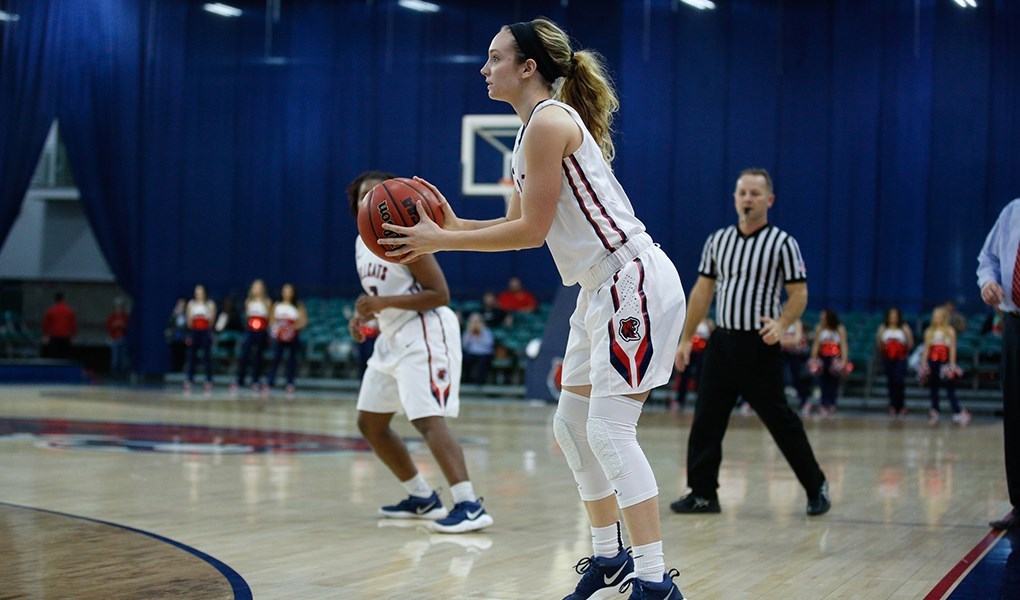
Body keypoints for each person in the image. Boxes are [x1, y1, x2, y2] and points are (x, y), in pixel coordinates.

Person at [379, 19, 688, 598]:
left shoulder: (548, 121)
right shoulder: (526, 135)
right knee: (571, 426)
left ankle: (653, 579)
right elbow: (514, 225)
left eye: (494, 58)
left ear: (528, 68)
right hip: (595, 289)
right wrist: (447, 226)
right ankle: (609, 557)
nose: (483, 67)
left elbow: (529, 232)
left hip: (631, 280)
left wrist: (440, 241)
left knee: (610, 430)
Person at [670, 168, 829, 522]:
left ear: (769, 200)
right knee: (706, 419)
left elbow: (799, 293)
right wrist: (685, 337)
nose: (748, 199)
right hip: (722, 344)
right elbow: (702, 291)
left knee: (781, 420)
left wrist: (783, 323)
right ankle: (702, 493)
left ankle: (816, 486)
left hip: (759, 346)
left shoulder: (783, 243)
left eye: (755, 193)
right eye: (742, 192)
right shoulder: (718, 240)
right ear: (735, 198)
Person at [347, 170, 492, 535]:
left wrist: (382, 303)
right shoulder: (363, 242)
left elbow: (439, 293)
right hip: (393, 334)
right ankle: (422, 498)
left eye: (375, 196)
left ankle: (469, 504)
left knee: (427, 418)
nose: (369, 202)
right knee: (371, 422)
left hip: (425, 328)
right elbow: (382, 293)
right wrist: (365, 314)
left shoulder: (403, 236)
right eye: (363, 197)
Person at [977, 197, 1020, 531]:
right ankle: (1019, 505)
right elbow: (988, 257)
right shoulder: (1012, 211)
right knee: (1016, 412)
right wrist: (988, 282)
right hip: (1014, 321)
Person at [919, 306, 970, 425]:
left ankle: (957, 410)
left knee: (949, 387)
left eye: (939, 316)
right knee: (933, 386)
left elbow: (952, 349)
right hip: (933, 362)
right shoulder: (929, 331)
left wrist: (952, 365)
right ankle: (934, 409)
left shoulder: (950, 331)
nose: (936, 319)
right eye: (935, 316)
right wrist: (923, 363)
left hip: (945, 362)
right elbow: (926, 349)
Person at [807, 309, 850, 417]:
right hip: (823, 357)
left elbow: (843, 345)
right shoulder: (819, 328)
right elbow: (816, 344)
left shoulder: (840, 329)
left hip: (834, 358)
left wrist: (844, 360)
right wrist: (814, 358)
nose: (821, 320)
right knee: (822, 381)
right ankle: (823, 404)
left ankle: (832, 403)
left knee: (833, 382)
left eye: (824, 317)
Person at [267, 283, 308, 394]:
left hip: (293, 337)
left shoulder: (298, 305)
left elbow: (303, 321)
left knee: (291, 360)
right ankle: (271, 381)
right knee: (276, 358)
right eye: (285, 291)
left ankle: (290, 382)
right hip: (279, 337)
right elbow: (271, 320)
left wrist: (291, 328)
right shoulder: (277, 305)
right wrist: (278, 329)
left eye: (289, 291)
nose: (287, 293)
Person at [233, 279, 272, 394]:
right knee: (245, 354)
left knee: (258, 356)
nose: (257, 289)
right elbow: (247, 317)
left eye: (259, 287)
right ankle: (241, 379)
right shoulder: (248, 302)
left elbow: (269, 318)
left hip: (261, 331)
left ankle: (256, 380)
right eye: (255, 287)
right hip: (250, 330)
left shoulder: (267, 302)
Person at [876, 307, 914, 417]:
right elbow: (879, 344)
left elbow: (910, 343)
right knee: (891, 381)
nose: (893, 318)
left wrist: (899, 348)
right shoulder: (883, 328)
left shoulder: (904, 327)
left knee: (899, 380)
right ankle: (892, 405)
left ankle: (901, 405)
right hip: (888, 358)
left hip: (900, 358)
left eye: (895, 316)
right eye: (891, 316)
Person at [670, 317, 713, 411]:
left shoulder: (708, 322)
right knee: (685, 376)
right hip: (690, 351)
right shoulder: (690, 322)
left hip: (702, 353)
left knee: (700, 377)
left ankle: (700, 400)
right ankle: (679, 400)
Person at [185, 285, 216, 392]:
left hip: (205, 331)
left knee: (207, 355)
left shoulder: (210, 304)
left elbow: (211, 320)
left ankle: (208, 379)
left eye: (200, 292)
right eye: (197, 292)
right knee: (192, 355)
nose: (199, 294)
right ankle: (190, 378)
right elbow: (189, 320)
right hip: (195, 331)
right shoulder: (191, 304)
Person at [779, 318, 812, 411]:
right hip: (781, 354)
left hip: (796, 356)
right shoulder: (780, 322)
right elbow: (776, 339)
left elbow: (796, 340)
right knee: (779, 378)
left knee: (799, 378)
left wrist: (785, 341)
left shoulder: (797, 323)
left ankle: (805, 402)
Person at [41, 292, 77, 360]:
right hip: (65, 337)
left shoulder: (50, 311)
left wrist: (45, 335)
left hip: (54, 337)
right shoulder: (69, 311)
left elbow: (46, 324)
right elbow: (73, 324)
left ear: (55, 300)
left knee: (55, 357)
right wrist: (73, 335)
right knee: (65, 357)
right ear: (63, 299)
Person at [462, 312, 495, 385]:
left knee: (483, 362)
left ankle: (480, 382)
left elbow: (489, 344)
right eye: (473, 322)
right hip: (471, 353)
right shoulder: (467, 332)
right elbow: (464, 345)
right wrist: (470, 335)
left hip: (483, 354)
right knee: (465, 360)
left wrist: (480, 336)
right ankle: (467, 381)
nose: (475, 323)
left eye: (477, 321)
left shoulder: (486, 331)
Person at [106, 297, 129, 377]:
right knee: (115, 358)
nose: (118, 308)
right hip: (115, 338)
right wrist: (115, 325)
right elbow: (109, 326)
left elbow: (128, 327)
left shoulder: (125, 316)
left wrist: (122, 325)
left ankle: (124, 374)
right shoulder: (112, 316)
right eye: (117, 306)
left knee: (123, 358)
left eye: (120, 306)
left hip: (123, 338)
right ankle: (114, 374)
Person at [166, 298, 188, 372]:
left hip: (183, 339)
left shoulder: (186, 315)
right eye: (180, 304)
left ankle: (181, 369)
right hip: (175, 339)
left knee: (182, 355)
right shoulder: (174, 315)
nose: (181, 306)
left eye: (183, 304)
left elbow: (187, 326)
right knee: (175, 355)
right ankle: (175, 370)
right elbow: (170, 325)